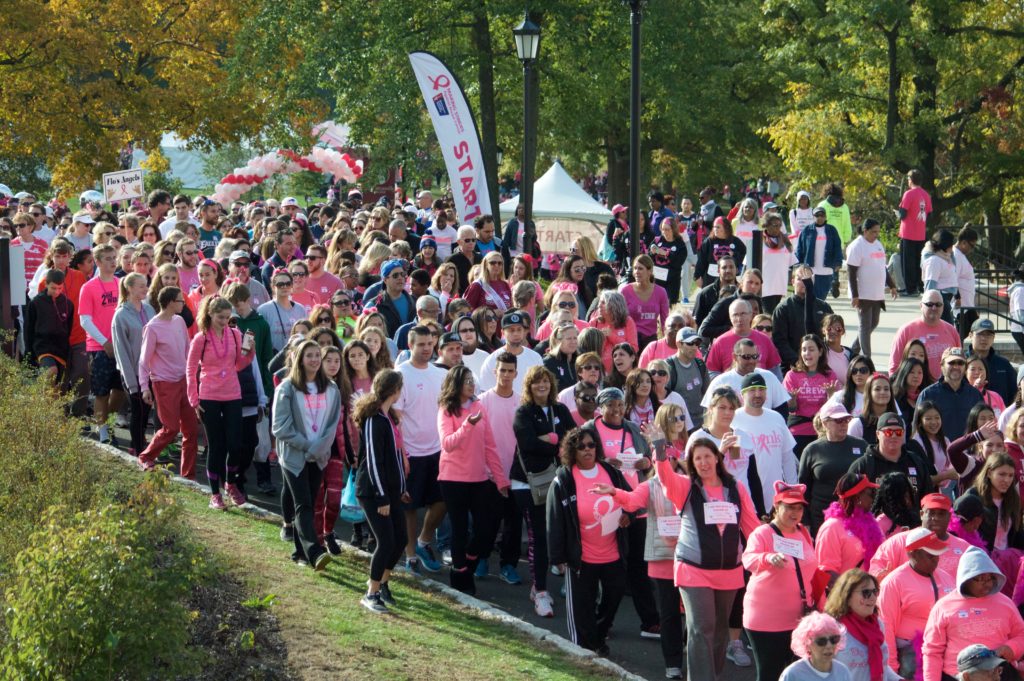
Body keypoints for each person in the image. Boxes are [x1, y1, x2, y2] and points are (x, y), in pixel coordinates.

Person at [651, 436, 761, 680]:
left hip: (729, 571)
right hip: (693, 569)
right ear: (692, 463)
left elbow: (752, 525)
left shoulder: (735, 488)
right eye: (697, 458)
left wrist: (772, 544)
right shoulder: (686, 486)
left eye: (707, 456)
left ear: (717, 458)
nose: (703, 462)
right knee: (701, 628)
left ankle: (713, 676)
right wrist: (658, 445)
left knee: (720, 631)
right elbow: (665, 476)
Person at [579, 387, 661, 637]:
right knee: (607, 570)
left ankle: (650, 621)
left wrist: (646, 462)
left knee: (639, 567)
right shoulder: (589, 430)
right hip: (603, 507)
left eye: (620, 405)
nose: (616, 410)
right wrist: (604, 464)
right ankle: (601, 621)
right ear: (600, 407)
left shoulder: (632, 428)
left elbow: (649, 459)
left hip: (635, 506)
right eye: (611, 405)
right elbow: (580, 461)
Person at [546, 427, 632, 655]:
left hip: (613, 553)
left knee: (614, 596)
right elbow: (555, 521)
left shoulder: (611, 472)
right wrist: (558, 557)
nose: (587, 450)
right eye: (581, 446)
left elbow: (630, 497)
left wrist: (628, 515)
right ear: (572, 451)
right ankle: (584, 649)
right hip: (581, 558)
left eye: (591, 445)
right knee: (582, 607)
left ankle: (598, 635)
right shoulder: (563, 480)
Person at [436, 366, 510, 594]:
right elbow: (447, 443)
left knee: (484, 529)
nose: (471, 384)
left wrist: (501, 480)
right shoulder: (446, 410)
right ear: (456, 384)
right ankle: (460, 575)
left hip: (478, 478)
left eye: (472, 380)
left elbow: (490, 446)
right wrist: (468, 425)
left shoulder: (479, 407)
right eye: (466, 381)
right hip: (453, 479)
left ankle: (468, 566)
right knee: (459, 530)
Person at [272, 339, 342, 570]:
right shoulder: (287, 388)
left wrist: (319, 448)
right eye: (309, 355)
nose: (314, 360)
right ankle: (314, 551)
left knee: (310, 502)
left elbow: (332, 424)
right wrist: (307, 446)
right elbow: (280, 427)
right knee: (303, 503)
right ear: (299, 359)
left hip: (319, 456)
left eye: (317, 355)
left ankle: (300, 554)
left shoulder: (331, 388)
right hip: (294, 456)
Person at [742, 481, 817, 681]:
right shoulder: (763, 533)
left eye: (799, 508)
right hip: (767, 621)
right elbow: (748, 559)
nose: (796, 513)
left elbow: (811, 570)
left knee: (799, 675)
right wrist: (768, 557)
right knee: (770, 674)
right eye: (790, 507)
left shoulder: (803, 532)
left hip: (800, 618)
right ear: (776, 506)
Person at [186, 296, 255, 509]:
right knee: (216, 446)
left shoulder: (234, 334)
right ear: (210, 314)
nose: (224, 321)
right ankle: (215, 493)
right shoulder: (201, 338)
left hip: (232, 394)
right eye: (220, 317)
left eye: (227, 317)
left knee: (235, 445)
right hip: (209, 396)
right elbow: (190, 369)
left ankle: (230, 483)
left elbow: (239, 364)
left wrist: (250, 350)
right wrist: (194, 399)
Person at [923, 546, 1024, 681]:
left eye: (990, 578)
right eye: (980, 579)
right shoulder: (943, 607)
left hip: (998, 674)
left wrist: (1011, 648)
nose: (987, 584)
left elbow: (1021, 635)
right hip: (959, 676)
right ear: (965, 578)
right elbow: (932, 651)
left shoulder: (1006, 603)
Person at [354, 369, 409, 612]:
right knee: (385, 542)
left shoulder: (390, 418)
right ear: (395, 390)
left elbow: (396, 456)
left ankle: (382, 583)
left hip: (391, 491)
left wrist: (401, 488)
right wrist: (382, 497)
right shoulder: (374, 420)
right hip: (374, 492)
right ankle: (371, 593)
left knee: (401, 539)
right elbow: (373, 462)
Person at [877, 527, 956, 678]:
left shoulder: (947, 578)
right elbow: (886, 626)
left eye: (937, 554)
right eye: (930, 555)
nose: (936, 559)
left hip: (945, 652)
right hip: (911, 655)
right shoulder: (893, 582)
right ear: (912, 553)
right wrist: (891, 669)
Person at [137, 286, 199, 477]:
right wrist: (144, 387)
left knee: (191, 430)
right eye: (180, 300)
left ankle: (188, 475)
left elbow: (188, 349)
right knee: (171, 428)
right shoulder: (152, 327)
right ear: (171, 302)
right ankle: (146, 457)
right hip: (164, 383)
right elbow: (144, 360)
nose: (184, 304)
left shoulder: (179, 321)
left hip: (184, 381)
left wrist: (193, 375)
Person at [78, 243, 124, 444]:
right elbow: (85, 320)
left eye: (114, 257)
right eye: (107, 258)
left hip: (120, 346)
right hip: (99, 347)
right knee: (101, 392)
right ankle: (103, 430)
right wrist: (105, 342)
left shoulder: (121, 283)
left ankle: (108, 422)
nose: (113, 262)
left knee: (121, 390)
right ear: (97, 262)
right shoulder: (89, 287)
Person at [799, 404, 869, 534]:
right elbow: (803, 488)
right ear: (825, 423)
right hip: (821, 516)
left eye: (846, 420)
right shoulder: (812, 450)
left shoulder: (861, 445)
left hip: (855, 514)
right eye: (838, 420)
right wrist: (805, 521)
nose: (843, 424)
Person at [824, 569, 900, 681]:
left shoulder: (878, 625)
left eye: (875, 591)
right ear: (847, 596)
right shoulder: (831, 630)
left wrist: (899, 679)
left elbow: (881, 666)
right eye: (866, 593)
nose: (873, 597)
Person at [110, 273, 156, 456]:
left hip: (150, 371)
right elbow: (121, 352)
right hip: (133, 372)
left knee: (146, 411)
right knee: (138, 410)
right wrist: (131, 382)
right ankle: (138, 450)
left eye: (146, 285)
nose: (146, 289)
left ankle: (137, 443)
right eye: (141, 286)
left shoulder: (149, 309)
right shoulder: (120, 315)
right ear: (129, 288)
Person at [847, 412, 935, 503]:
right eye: (888, 432)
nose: (894, 436)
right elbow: (849, 502)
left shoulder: (916, 462)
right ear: (878, 434)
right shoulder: (863, 465)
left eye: (898, 432)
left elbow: (928, 499)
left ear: (904, 434)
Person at [816, 474, 884, 580]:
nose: (873, 499)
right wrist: (851, 589)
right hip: (847, 589)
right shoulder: (831, 527)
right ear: (858, 497)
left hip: (871, 589)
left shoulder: (872, 522)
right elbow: (827, 571)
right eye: (871, 493)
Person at [772, 265, 834, 371]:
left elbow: (831, 336)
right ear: (792, 282)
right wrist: (799, 362)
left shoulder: (823, 307)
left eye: (808, 278)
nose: (805, 282)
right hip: (792, 367)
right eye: (800, 279)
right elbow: (780, 341)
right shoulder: (783, 308)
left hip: (819, 365)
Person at [888, 290, 962, 377]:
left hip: (946, 384)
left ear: (943, 307)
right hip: (916, 385)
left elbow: (960, 362)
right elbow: (894, 367)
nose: (934, 308)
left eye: (938, 304)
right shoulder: (906, 331)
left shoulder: (951, 331)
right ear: (921, 306)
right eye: (929, 304)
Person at [704, 299, 782, 378]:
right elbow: (711, 372)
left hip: (760, 385)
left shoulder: (765, 340)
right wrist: (726, 380)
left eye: (743, 314)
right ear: (730, 317)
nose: (739, 319)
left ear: (751, 315)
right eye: (735, 315)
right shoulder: (720, 342)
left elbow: (775, 371)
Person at [918, 347, 983, 440]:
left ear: (965, 367)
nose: (956, 367)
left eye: (960, 363)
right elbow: (917, 428)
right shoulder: (928, 394)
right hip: (938, 447)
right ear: (942, 365)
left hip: (968, 448)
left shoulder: (975, 395)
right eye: (951, 363)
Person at [24, 269, 73, 384]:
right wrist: (29, 353)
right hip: (42, 346)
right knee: (51, 371)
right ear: (46, 284)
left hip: (60, 348)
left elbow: (68, 328)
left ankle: (42, 395)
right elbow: (28, 330)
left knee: (57, 386)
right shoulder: (36, 303)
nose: (56, 291)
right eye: (53, 288)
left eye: (60, 288)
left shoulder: (68, 304)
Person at [478, 311, 543, 394]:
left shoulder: (535, 357)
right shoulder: (492, 360)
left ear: (524, 331)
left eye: (519, 329)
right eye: (511, 330)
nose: (516, 334)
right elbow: (487, 392)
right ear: (503, 333)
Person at [779, 612, 852, 681]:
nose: (829, 645)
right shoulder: (792, 674)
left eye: (834, 639)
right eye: (821, 641)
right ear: (807, 644)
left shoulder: (843, 671)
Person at [620, 255, 669, 351]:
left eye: (640, 268)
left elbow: (665, 320)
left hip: (651, 340)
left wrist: (666, 342)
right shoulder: (625, 291)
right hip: (631, 339)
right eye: (635, 268)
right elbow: (620, 318)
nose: (636, 272)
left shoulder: (661, 292)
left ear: (650, 271)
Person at [795, 206, 843, 301]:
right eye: (817, 215)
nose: (819, 217)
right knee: (809, 297)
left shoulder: (832, 230)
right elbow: (800, 249)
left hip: (826, 270)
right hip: (810, 270)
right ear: (813, 217)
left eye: (822, 215)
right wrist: (798, 265)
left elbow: (837, 247)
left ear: (825, 217)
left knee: (821, 299)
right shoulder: (807, 230)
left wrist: (838, 262)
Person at [966, 318, 1017, 405]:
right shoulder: (961, 362)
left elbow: (1015, 393)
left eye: (988, 335)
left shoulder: (1003, 364)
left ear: (993, 338)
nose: (984, 338)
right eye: (980, 334)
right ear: (970, 335)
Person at [898, 169, 932, 297]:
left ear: (911, 180)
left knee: (907, 263)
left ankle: (910, 289)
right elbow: (929, 214)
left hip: (908, 233)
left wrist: (899, 213)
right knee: (919, 262)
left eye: (908, 178)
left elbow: (903, 214)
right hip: (921, 234)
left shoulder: (908, 194)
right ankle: (920, 286)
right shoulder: (926, 195)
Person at [695, 217, 746, 288]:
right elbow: (701, 260)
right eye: (714, 227)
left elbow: (743, 253)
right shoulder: (709, 241)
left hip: (729, 278)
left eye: (718, 227)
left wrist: (734, 256)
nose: (715, 229)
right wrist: (697, 276)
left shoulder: (735, 241)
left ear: (726, 228)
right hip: (711, 279)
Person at [649, 216, 689, 306]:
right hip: (656, 280)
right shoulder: (657, 240)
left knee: (670, 305)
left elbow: (678, 262)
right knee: (655, 305)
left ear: (673, 230)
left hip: (672, 281)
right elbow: (648, 258)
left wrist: (665, 253)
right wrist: (652, 252)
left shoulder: (680, 244)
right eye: (663, 229)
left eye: (667, 230)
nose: (664, 232)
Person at [693, 254, 739, 330]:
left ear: (737, 270)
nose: (728, 270)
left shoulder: (743, 292)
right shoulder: (705, 294)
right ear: (718, 270)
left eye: (731, 267)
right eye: (724, 267)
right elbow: (696, 323)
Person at [542, 323, 579, 391]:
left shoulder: (580, 361)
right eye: (569, 338)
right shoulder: (548, 363)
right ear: (558, 341)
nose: (573, 341)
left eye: (575, 338)